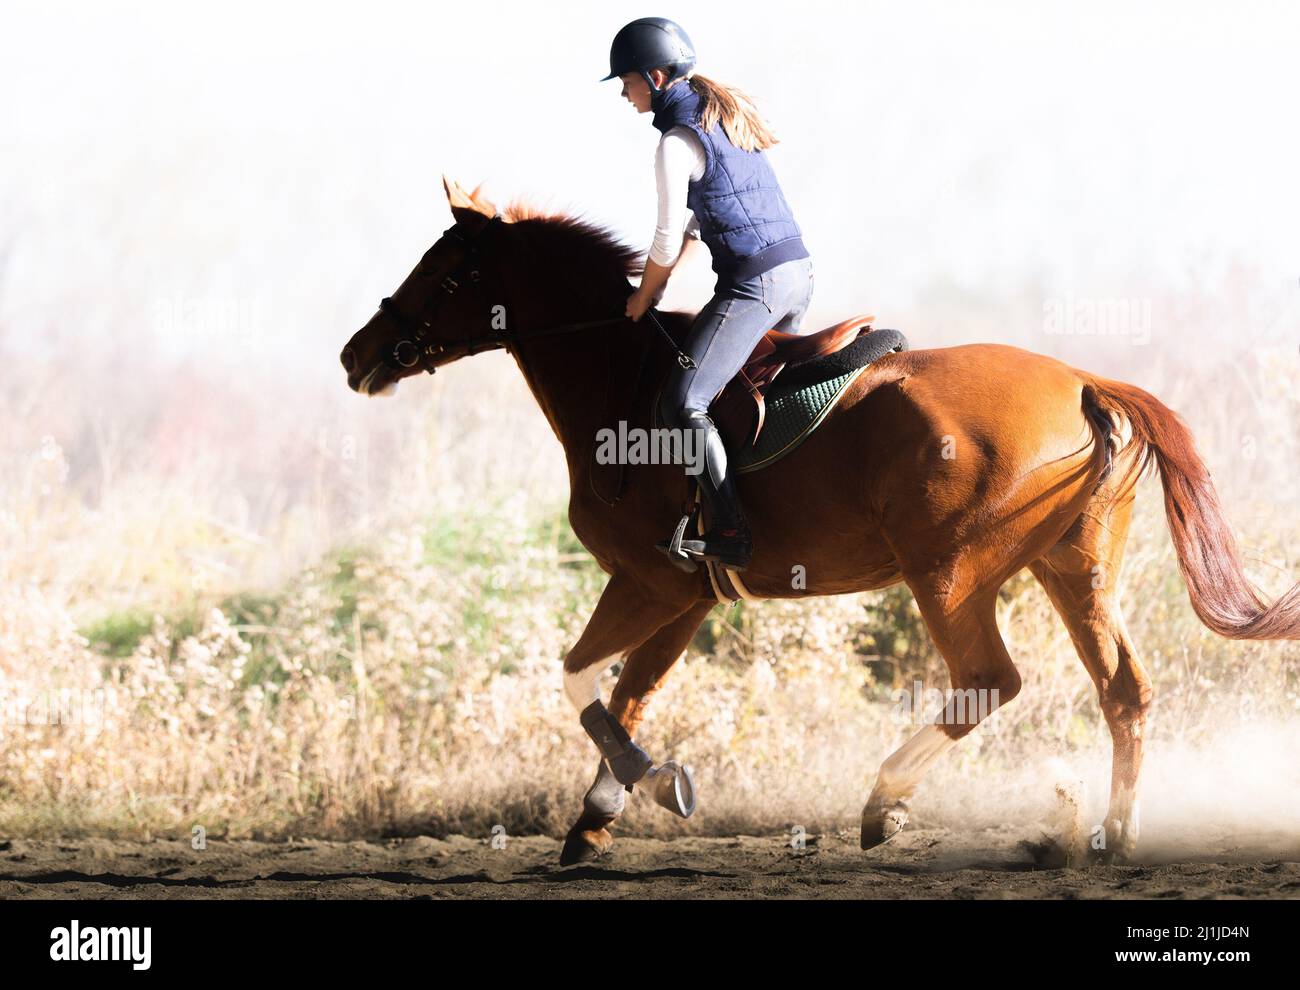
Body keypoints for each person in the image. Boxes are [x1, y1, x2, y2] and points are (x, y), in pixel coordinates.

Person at [602, 16, 814, 571]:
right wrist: (677, 262)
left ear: (655, 75)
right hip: (797, 276)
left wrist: (644, 297)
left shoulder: (676, 141)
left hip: (758, 285)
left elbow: (667, 237)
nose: (624, 94)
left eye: (626, 81)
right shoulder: (720, 117)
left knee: (684, 402)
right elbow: (707, 217)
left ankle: (731, 531)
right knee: (743, 399)